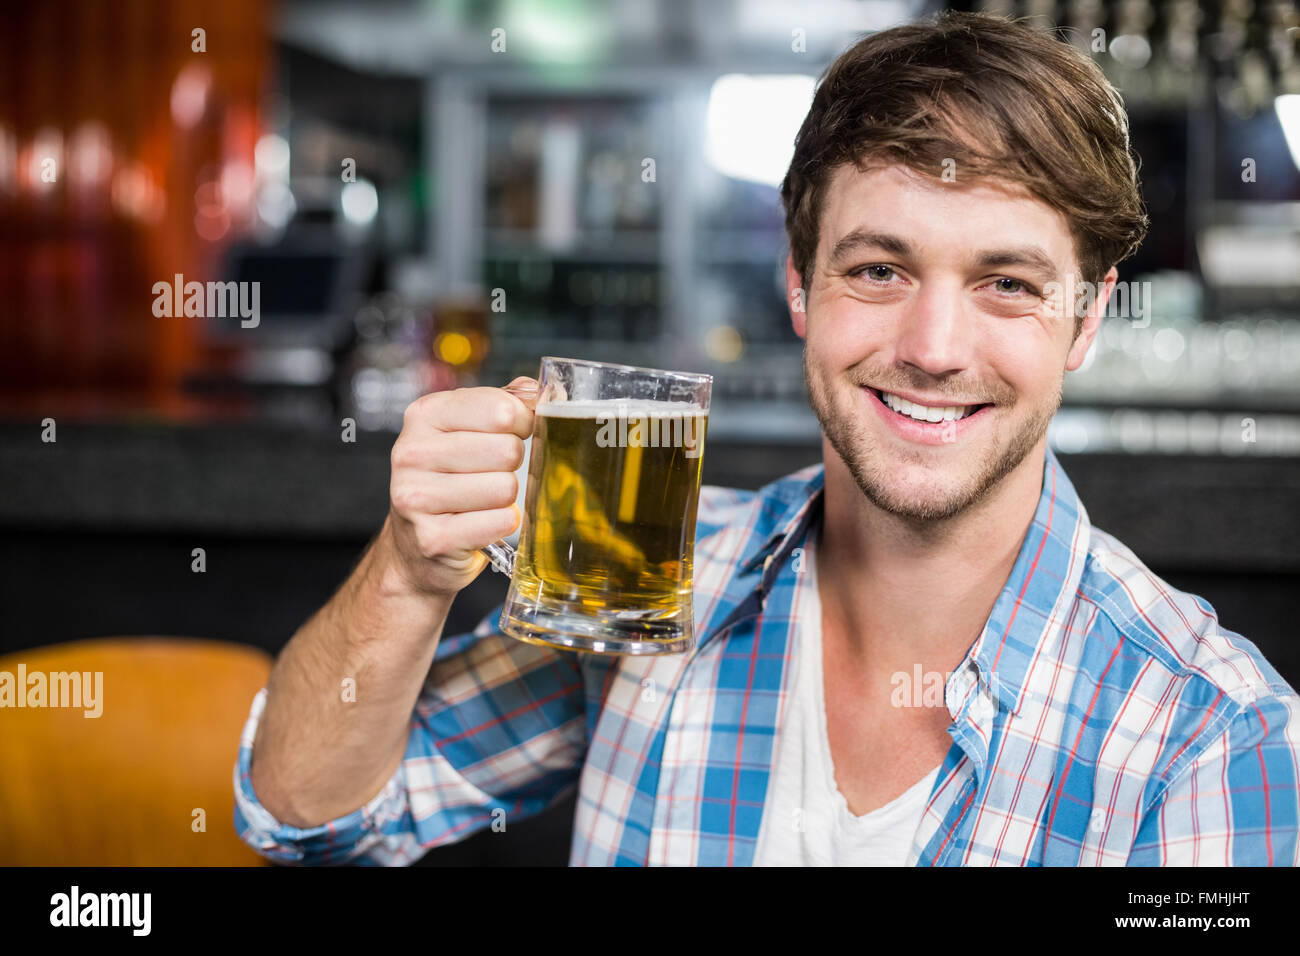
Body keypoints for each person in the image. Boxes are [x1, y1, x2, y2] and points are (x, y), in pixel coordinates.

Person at [233, 11, 1300, 866]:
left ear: (1083, 318)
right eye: (877, 269)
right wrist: (409, 574)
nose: (932, 347)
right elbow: (309, 818)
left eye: (1006, 283)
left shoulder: (1210, 738)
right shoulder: (646, 579)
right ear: (799, 286)